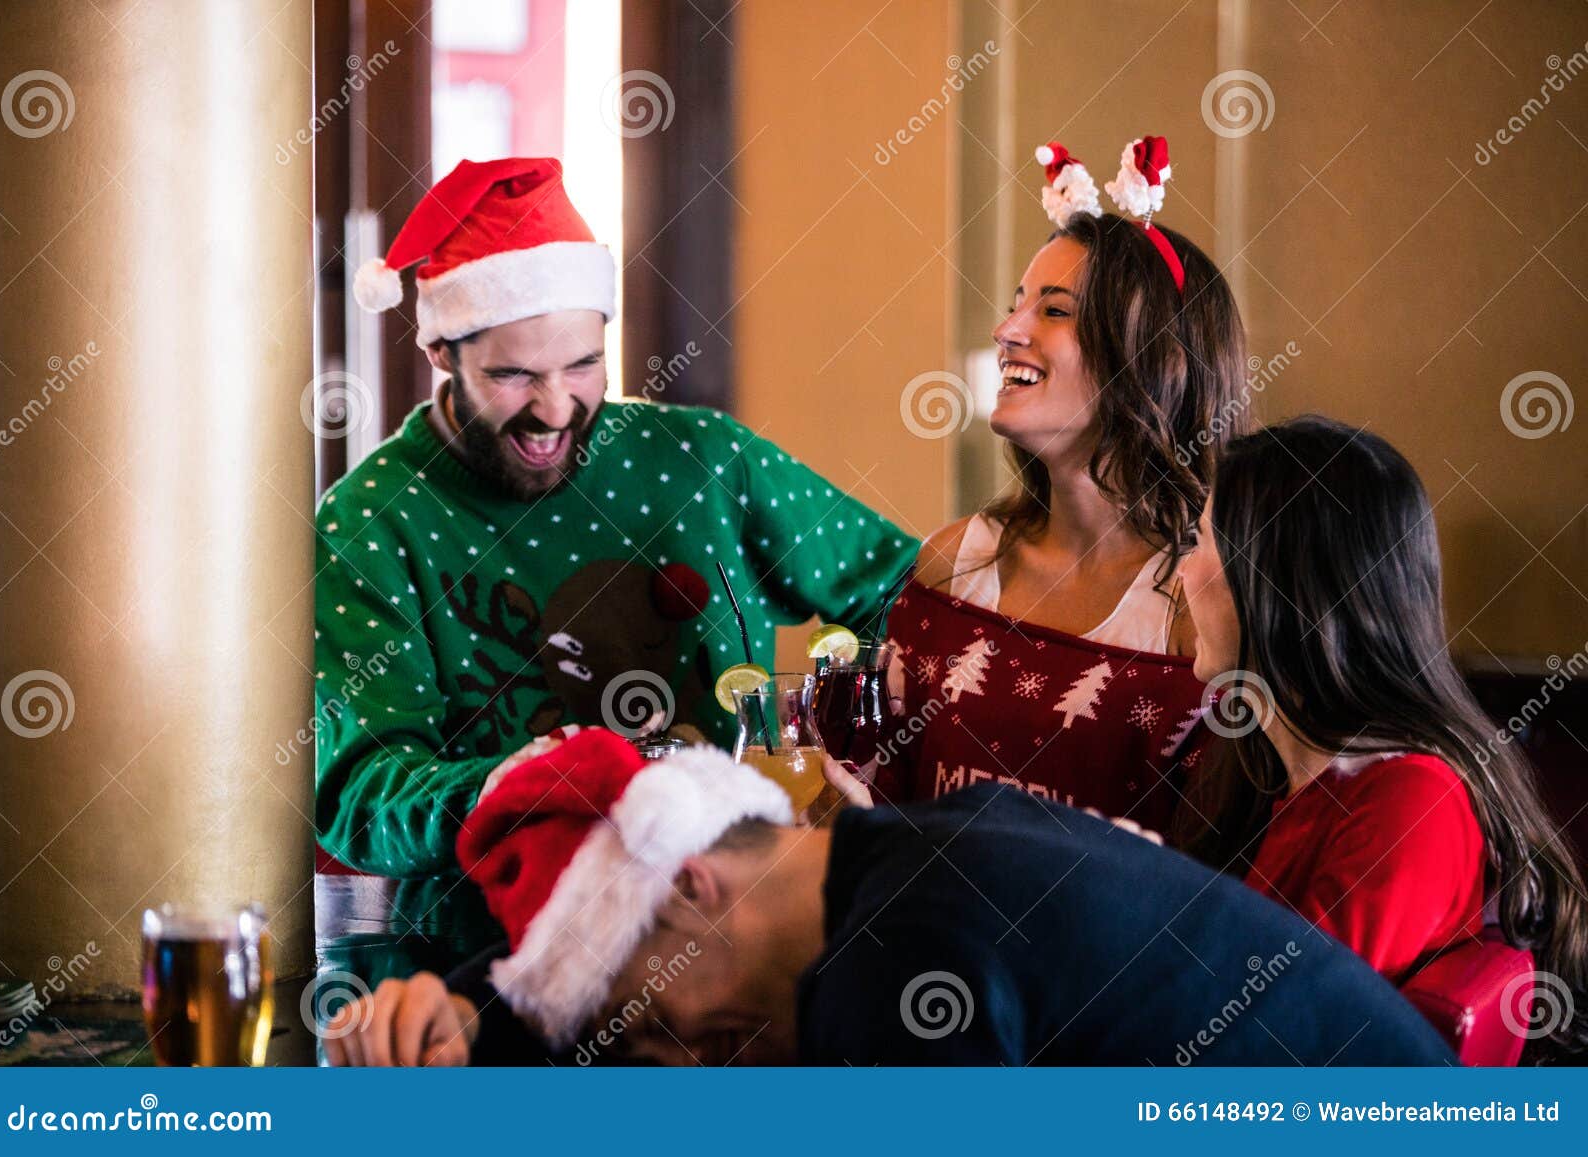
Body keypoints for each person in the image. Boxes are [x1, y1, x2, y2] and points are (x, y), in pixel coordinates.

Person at [315, 157, 918, 887]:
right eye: (513, 376)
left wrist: (854, 731)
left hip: (738, 912)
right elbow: (362, 796)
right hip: (487, 943)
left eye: (582, 366)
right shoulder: (370, 521)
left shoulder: (707, 460)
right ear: (441, 351)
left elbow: (910, 594)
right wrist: (517, 785)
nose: (556, 408)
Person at [322, 729, 1454, 1066]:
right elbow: (603, 957)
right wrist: (467, 1012)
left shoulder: (907, 968)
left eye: (662, 1024)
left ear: (698, 882)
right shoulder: (899, 852)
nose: (685, 1056)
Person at [1177, 416, 1588, 1061]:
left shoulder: (1410, 802)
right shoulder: (1288, 773)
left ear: (1277, 578)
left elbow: (1264, 1040)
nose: (1178, 574)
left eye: (1197, 541)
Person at [876, 136, 1246, 834]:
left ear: (1151, 359)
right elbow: (878, 807)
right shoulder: (956, 566)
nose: (1006, 330)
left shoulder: (1203, 617)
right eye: (1018, 304)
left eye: (1052, 310)